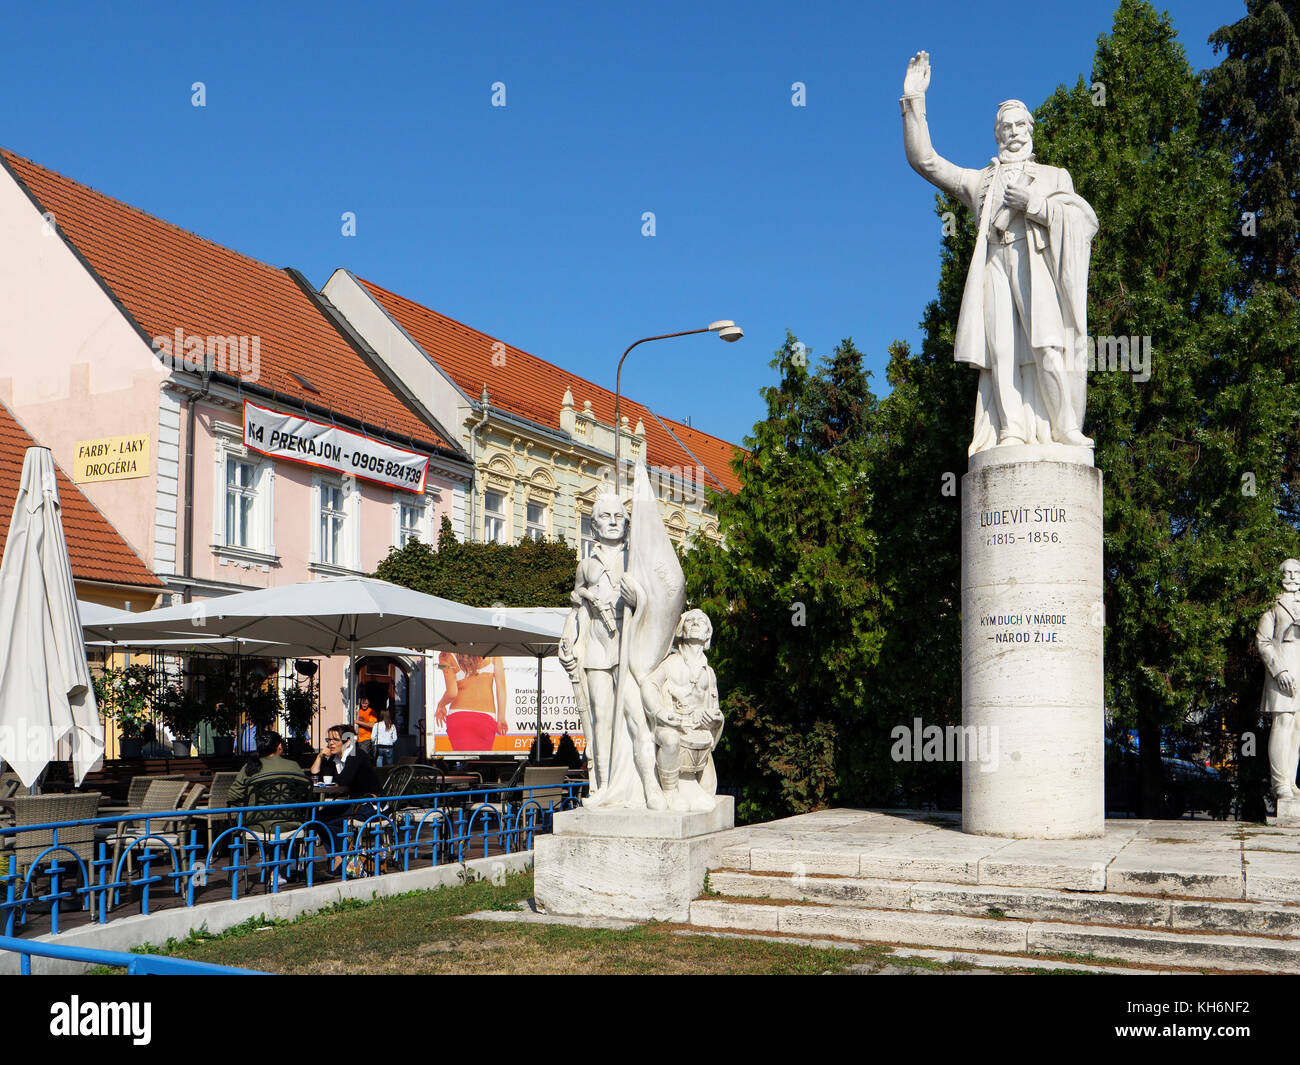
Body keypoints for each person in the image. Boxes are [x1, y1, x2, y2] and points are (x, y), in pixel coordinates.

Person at [900, 51, 1098, 455]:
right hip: (994, 265)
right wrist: (913, 101)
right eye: (1004, 127)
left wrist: (1036, 204)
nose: (1012, 132)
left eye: (1019, 125)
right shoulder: (981, 181)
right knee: (1001, 352)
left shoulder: (1053, 175)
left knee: (1047, 348)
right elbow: (927, 161)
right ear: (996, 135)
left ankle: (1064, 428)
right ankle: (1010, 428)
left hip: (1036, 266)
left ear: (1031, 130)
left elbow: (1084, 222)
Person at [640, 610, 724, 811]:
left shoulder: (709, 673)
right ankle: (670, 790)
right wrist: (660, 712)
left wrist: (714, 718)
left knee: (709, 793)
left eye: (702, 621)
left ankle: (690, 784)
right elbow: (649, 685)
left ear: (707, 634)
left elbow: (715, 709)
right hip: (671, 725)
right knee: (670, 739)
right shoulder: (671, 663)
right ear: (681, 630)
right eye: (690, 621)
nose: (695, 623)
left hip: (697, 731)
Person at [1258, 559, 1300, 801]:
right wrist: (1279, 671)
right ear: (1280, 576)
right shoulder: (1273, 605)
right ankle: (1279, 784)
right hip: (1282, 671)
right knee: (1282, 725)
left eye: (1297, 573)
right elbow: (1262, 641)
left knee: (1297, 729)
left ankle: (1291, 781)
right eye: (1288, 572)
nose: (1293, 577)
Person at [435, 654, 507, 751]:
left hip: (458, 718)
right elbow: (501, 687)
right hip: (486, 718)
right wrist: (501, 718)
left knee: (463, 762)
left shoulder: (445, 655)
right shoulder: (493, 653)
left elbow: (452, 693)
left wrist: (441, 705)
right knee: (481, 764)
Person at [227, 729, 309, 809]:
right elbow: (306, 790)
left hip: (255, 820)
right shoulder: (292, 766)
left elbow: (233, 796)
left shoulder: (250, 766)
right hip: (289, 820)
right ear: (280, 746)